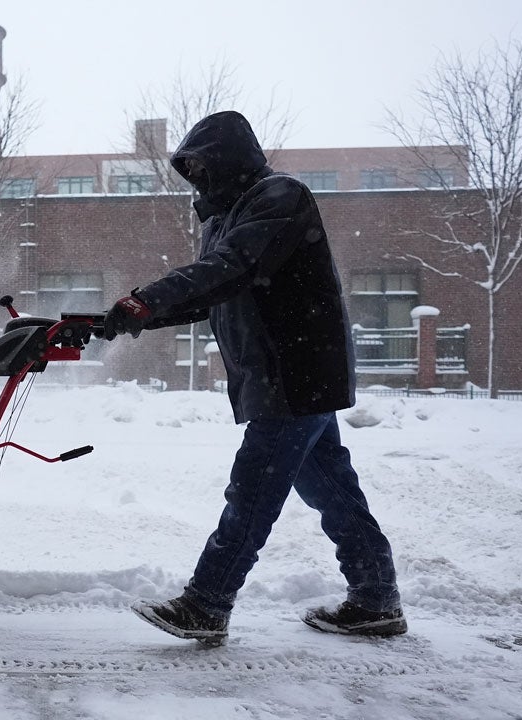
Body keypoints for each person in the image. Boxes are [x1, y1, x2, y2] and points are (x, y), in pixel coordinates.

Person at [101, 110, 405, 646]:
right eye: (188, 169)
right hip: (276, 374)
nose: (197, 177)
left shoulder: (280, 197)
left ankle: (207, 603)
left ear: (229, 158)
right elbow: (210, 293)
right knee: (334, 493)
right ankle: (376, 599)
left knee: (253, 492)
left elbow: (233, 267)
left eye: (203, 165)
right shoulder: (225, 218)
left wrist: (147, 298)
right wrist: (139, 316)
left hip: (293, 371)